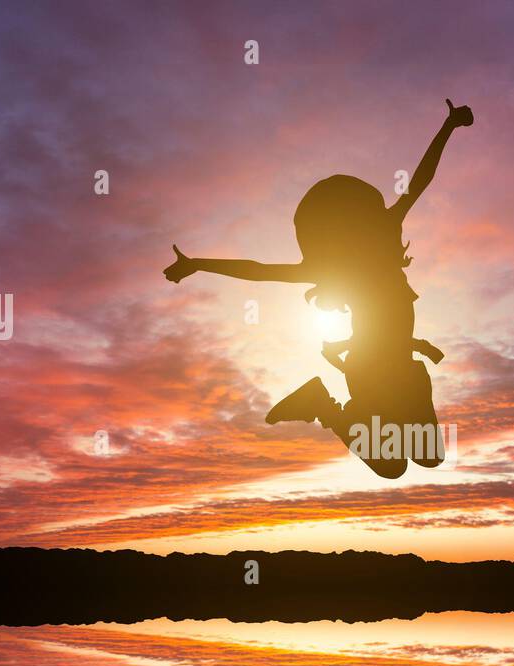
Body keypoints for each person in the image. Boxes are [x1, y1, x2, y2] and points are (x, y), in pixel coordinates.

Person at [163, 99, 474, 478]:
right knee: (392, 465)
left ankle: (331, 405)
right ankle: (322, 405)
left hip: (395, 367)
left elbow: (421, 180)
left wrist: (448, 126)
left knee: (429, 456)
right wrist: (197, 264)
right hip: (371, 370)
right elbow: (259, 272)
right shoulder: (344, 261)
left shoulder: (377, 240)